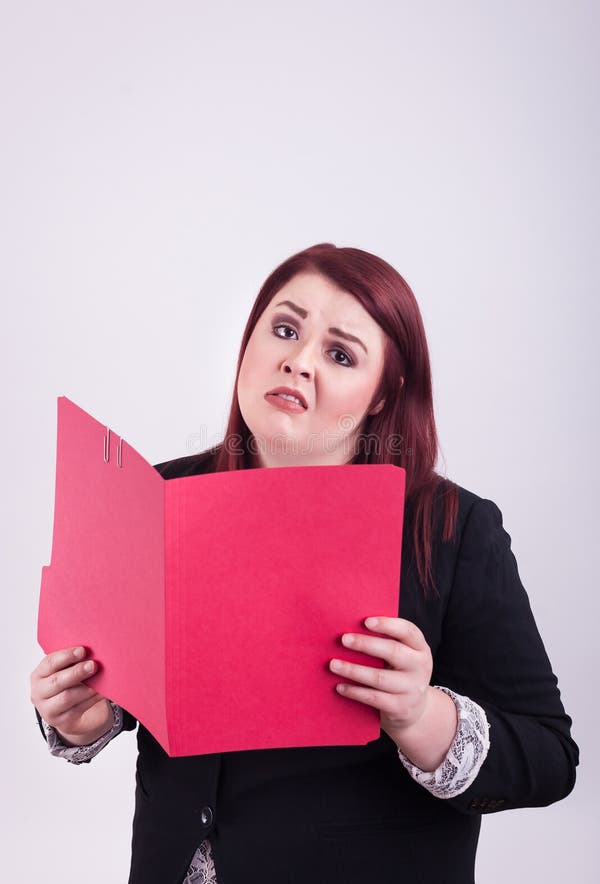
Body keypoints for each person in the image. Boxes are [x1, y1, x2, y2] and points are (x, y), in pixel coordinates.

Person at [30, 243, 579, 884]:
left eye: (340, 354)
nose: (298, 361)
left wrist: (421, 715)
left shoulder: (452, 529)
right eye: (286, 329)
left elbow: (549, 758)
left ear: (383, 394)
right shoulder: (155, 496)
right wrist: (82, 714)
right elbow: (125, 684)